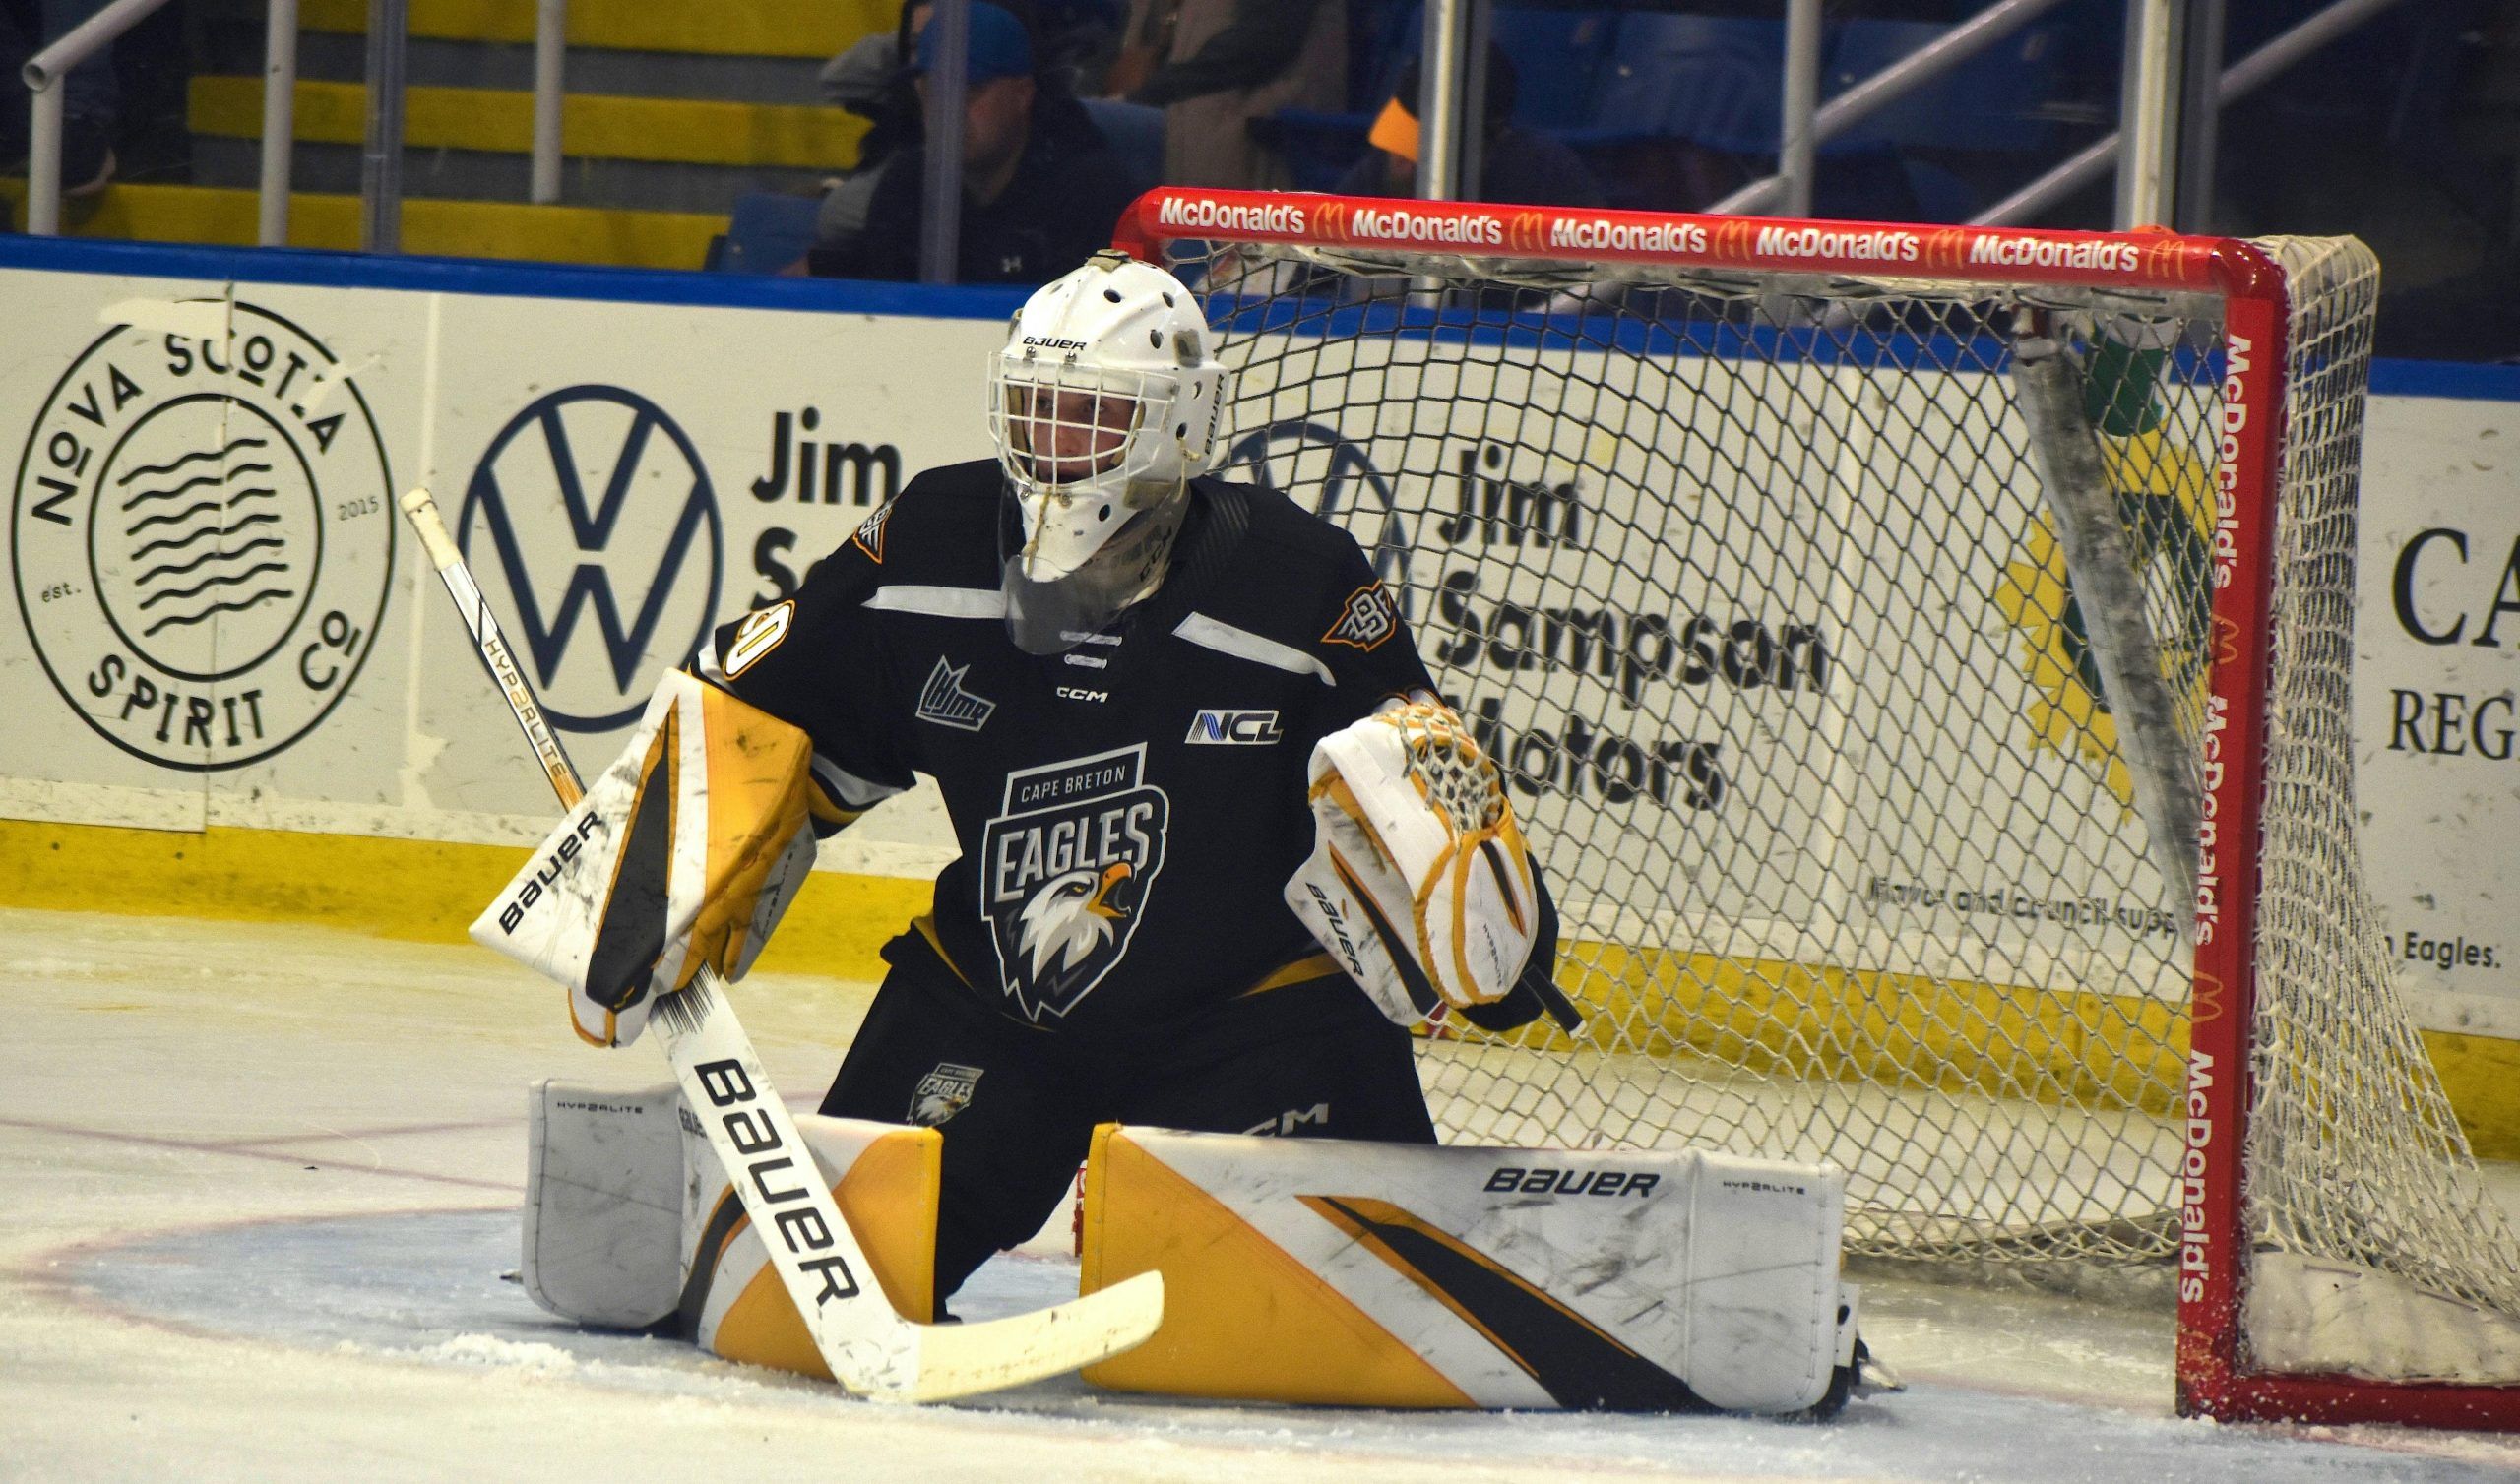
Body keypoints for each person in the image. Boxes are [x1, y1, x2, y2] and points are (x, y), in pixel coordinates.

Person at [680, 252, 1567, 1312]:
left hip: (1251, 1022)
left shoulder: (1298, 581)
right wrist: (655, 862)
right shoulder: (929, 540)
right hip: (993, 1006)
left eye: (1090, 416)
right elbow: (768, 712)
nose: (1052, 450)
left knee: (1337, 1325)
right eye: (1033, 410)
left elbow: (1420, 793)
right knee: (783, 1300)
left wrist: (1492, 937)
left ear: (1178, 423)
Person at [804, 1, 1141, 284]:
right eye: (933, 92)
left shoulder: (1090, 193)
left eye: (969, 90)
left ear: (1023, 94)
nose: (948, 112)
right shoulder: (906, 184)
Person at [1102, 0, 1347, 189]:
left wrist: (1144, 94)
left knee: (1083, 125)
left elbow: (1259, 46)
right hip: (1192, 113)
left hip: (1250, 127)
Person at [1334, 50, 1606, 210]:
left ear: (1491, 144)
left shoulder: (1546, 178)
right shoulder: (1379, 172)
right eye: (1399, 139)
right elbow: (1312, 279)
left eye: (1417, 148)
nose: (1399, 160)